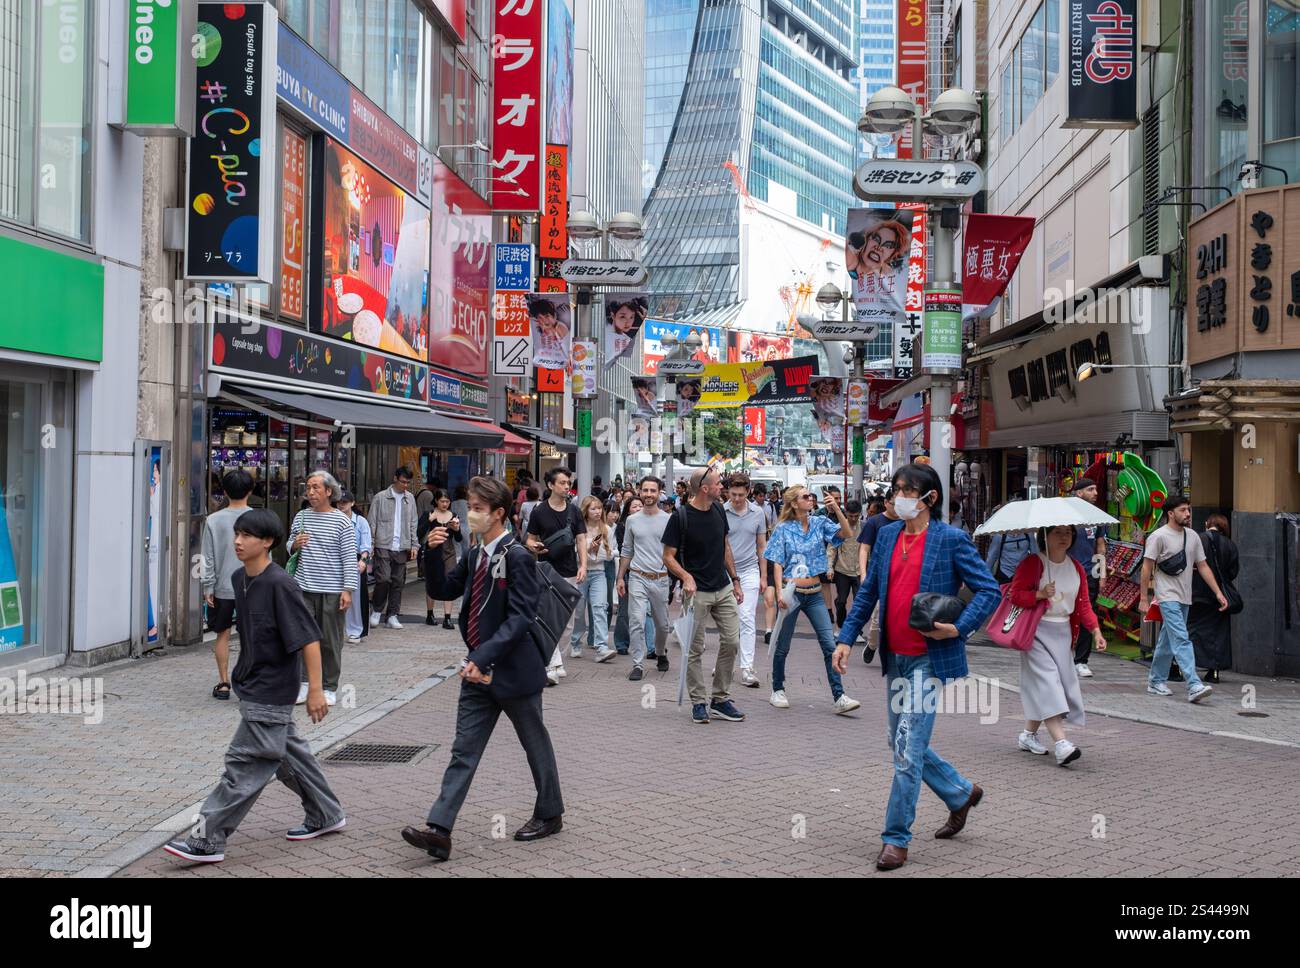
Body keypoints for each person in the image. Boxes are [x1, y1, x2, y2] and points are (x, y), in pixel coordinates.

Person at [832, 462, 1001, 872]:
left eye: (908, 490)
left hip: (929, 659)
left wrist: (958, 628)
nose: (899, 497)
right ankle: (960, 792)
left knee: (906, 752)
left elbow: (989, 590)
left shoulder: (951, 539)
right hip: (896, 659)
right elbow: (870, 590)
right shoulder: (887, 534)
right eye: (896, 489)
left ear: (931, 498)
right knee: (901, 743)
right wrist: (844, 638)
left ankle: (896, 839)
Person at [163, 509, 345, 864]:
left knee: (244, 764)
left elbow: (309, 638)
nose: (238, 541)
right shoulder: (239, 578)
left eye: (247, 535)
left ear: (268, 542)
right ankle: (327, 814)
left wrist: (316, 689)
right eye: (237, 534)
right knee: (289, 758)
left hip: (273, 689)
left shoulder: (281, 584)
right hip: (253, 685)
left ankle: (207, 838)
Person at [402, 476, 564, 862]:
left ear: (499, 514)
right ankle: (439, 830)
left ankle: (550, 813)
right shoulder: (476, 554)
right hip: (477, 673)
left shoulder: (519, 556)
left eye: (477, 508)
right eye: (469, 506)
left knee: (534, 743)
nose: (470, 514)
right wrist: (431, 553)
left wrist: (481, 657)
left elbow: (520, 618)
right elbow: (444, 591)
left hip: (512, 671)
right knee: (464, 750)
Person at [1008, 525, 1107, 766]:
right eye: (1058, 532)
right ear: (1045, 535)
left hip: (1064, 634)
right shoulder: (1033, 563)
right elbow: (1015, 594)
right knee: (1049, 683)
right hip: (1036, 631)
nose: (1064, 537)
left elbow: (1083, 605)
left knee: (1053, 685)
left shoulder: (1076, 568)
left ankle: (1028, 735)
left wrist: (1096, 631)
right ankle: (1062, 743)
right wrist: (1039, 595)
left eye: (1068, 533)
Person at [765, 485, 859, 714]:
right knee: (783, 645)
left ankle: (839, 696)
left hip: (815, 592)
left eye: (811, 496)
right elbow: (777, 562)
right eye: (806, 497)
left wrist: (837, 509)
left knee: (828, 644)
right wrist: (779, 591)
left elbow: (846, 534)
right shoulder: (783, 529)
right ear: (795, 503)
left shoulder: (819, 523)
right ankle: (777, 689)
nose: (811, 499)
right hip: (792, 592)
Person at [663, 467, 746, 725]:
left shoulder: (720, 509)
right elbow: (667, 556)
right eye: (718, 483)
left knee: (732, 642)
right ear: (704, 488)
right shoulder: (681, 517)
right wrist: (686, 577)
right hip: (696, 591)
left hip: (722, 587)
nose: (722, 486)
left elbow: (725, 546)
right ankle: (699, 702)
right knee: (694, 649)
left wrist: (735, 580)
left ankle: (720, 699)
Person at [1140, 495, 1228, 704]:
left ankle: (1155, 681)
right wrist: (1144, 597)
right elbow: (1147, 567)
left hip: (1185, 596)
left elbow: (1203, 565)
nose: (1187, 514)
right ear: (1170, 513)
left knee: (1167, 640)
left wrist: (1218, 592)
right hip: (1167, 596)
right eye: (1182, 510)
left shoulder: (1193, 536)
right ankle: (1193, 684)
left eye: (1188, 509)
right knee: (1181, 638)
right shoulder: (1158, 536)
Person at [288, 471, 356, 707]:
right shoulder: (301, 517)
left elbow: (349, 557)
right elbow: (290, 546)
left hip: (332, 590)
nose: (311, 492)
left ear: (329, 491)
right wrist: (293, 544)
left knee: (330, 640)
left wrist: (348, 590)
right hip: (303, 587)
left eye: (316, 487)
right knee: (302, 638)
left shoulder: (342, 522)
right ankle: (304, 683)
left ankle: (329, 685)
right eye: (308, 487)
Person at [526, 467, 588, 685]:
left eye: (568, 482)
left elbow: (581, 539)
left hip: (570, 570)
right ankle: (550, 664)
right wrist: (535, 546)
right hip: (545, 571)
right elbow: (529, 539)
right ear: (551, 485)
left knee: (568, 623)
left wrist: (583, 565)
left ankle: (556, 658)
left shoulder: (575, 511)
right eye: (562, 482)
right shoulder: (539, 511)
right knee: (548, 618)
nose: (566, 486)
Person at [202, 469, 253, 700]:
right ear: (250, 491)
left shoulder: (213, 520)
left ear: (224, 491)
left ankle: (223, 683)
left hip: (222, 586)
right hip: (251, 586)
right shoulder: (257, 518)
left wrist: (207, 586)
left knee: (221, 633)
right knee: (249, 636)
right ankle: (247, 682)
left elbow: (207, 557)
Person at [618, 478, 672, 680]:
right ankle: (638, 664)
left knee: (663, 625)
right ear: (639, 491)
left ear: (659, 493)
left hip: (660, 578)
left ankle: (660, 652)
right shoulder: (632, 520)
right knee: (637, 621)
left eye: (653, 491)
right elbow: (627, 550)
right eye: (645, 490)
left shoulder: (668, 519)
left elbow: (674, 551)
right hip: (638, 576)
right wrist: (620, 577)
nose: (649, 494)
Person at [723, 474, 767, 688]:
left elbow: (761, 546)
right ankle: (725, 663)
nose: (737, 499)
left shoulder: (758, 513)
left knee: (747, 617)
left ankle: (747, 667)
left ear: (748, 492)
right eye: (733, 494)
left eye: (741, 494)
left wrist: (764, 576)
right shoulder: (720, 511)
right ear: (727, 492)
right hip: (724, 572)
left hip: (749, 571)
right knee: (727, 619)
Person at [1067, 477, 1109, 679]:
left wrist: (1101, 572)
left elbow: (1100, 546)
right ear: (1079, 493)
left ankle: (1081, 660)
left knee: (1087, 615)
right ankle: (1064, 655)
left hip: (1088, 574)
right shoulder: (1066, 516)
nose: (1095, 493)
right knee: (1065, 615)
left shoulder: (1097, 517)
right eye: (1090, 489)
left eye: (1096, 489)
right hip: (1067, 573)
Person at [367, 467, 418, 630]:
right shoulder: (380, 497)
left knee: (398, 581)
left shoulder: (410, 499)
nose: (405, 485)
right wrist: (371, 544)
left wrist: (414, 544)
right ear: (395, 478)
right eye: (403, 482)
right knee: (383, 578)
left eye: (408, 483)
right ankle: (376, 609)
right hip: (383, 543)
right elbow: (372, 522)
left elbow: (413, 523)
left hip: (402, 545)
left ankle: (392, 614)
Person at [1189, 513, 1237, 684]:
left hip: (1195, 591)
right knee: (1218, 632)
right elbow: (1233, 571)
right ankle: (1214, 671)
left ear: (1207, 523)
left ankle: (1182, 667)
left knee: (1190, 629)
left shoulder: (1197, 539)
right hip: (1219, 596)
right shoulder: (1230, 545)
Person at [570, 496, 619, 662]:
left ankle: (601, 647)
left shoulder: (606, 529)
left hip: (599, 571)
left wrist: (599, 551)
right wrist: (587, 547)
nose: (598, 512)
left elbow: (612, 553)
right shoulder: (578, 528)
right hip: (580, 573)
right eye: (593, 508)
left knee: (600, 607)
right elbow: (573, 553)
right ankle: (575, 642)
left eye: (599, 508)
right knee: (579, 611)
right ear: (585, 510)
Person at [855, 487, 900, 661]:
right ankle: (873, 645)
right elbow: (864, 549)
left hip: (900, 576)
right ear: (886, 503)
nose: (898, 508)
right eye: (895, 504)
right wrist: (864, 573)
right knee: (877, 615)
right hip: (880, 576)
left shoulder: (907, 522)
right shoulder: (875, 523)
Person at [419, 491, 462, 628]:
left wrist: (456, 529)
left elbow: (459, 539)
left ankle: (447, 618)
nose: (445, 504)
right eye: (442, 501)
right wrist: (429, 520)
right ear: (436, 500)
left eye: (447, 501)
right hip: (433, 551)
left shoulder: (454, 516)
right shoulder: (429, 514)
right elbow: (419, 533)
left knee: (450, 582)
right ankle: (430, 614)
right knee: (432, 581)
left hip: (449, 551)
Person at [338, 491, 373, 644]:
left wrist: (363, 561)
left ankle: (355, 630)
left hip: (355, 559)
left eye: (345, 502)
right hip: (335, 560)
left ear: (352, 503)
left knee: (355, 597)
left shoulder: (360, 521)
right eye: (339, 502)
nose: (342, 504)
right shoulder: (334, 519)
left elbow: (366, 545)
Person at [829, 500, 863, 630]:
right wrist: (830, 567)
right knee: (841, 601)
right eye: (850, 516)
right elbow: (832, 548)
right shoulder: (839, 527)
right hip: (842, 570)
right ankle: (841, 625)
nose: (853, 519)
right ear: (846, 513)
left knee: (859, 602)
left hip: (860, 571)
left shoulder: (865, 527)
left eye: (856, 516)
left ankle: (856, 629)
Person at [450, 484, 471, 555]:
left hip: (457, 528)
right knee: (467, 549)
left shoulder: (453, 504)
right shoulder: (468, 504)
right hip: (468, 528)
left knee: (457, 549)